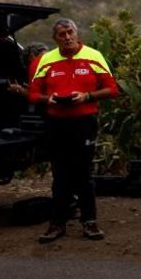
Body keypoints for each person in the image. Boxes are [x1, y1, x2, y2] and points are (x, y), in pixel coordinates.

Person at [28, 19, 118, 242]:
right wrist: (49, 99)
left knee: (83, 173)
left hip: (84, 122)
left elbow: (112, 89)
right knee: (60, 175)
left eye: (70, 32)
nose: (67, 37)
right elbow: (33, 94)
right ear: (55, 38)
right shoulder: (46, 60)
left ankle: (90, 222)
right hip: (56, 124)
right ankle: (57, 224)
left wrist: (87, 96)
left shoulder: (93, 56)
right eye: (62, 34)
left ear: (77, 34)